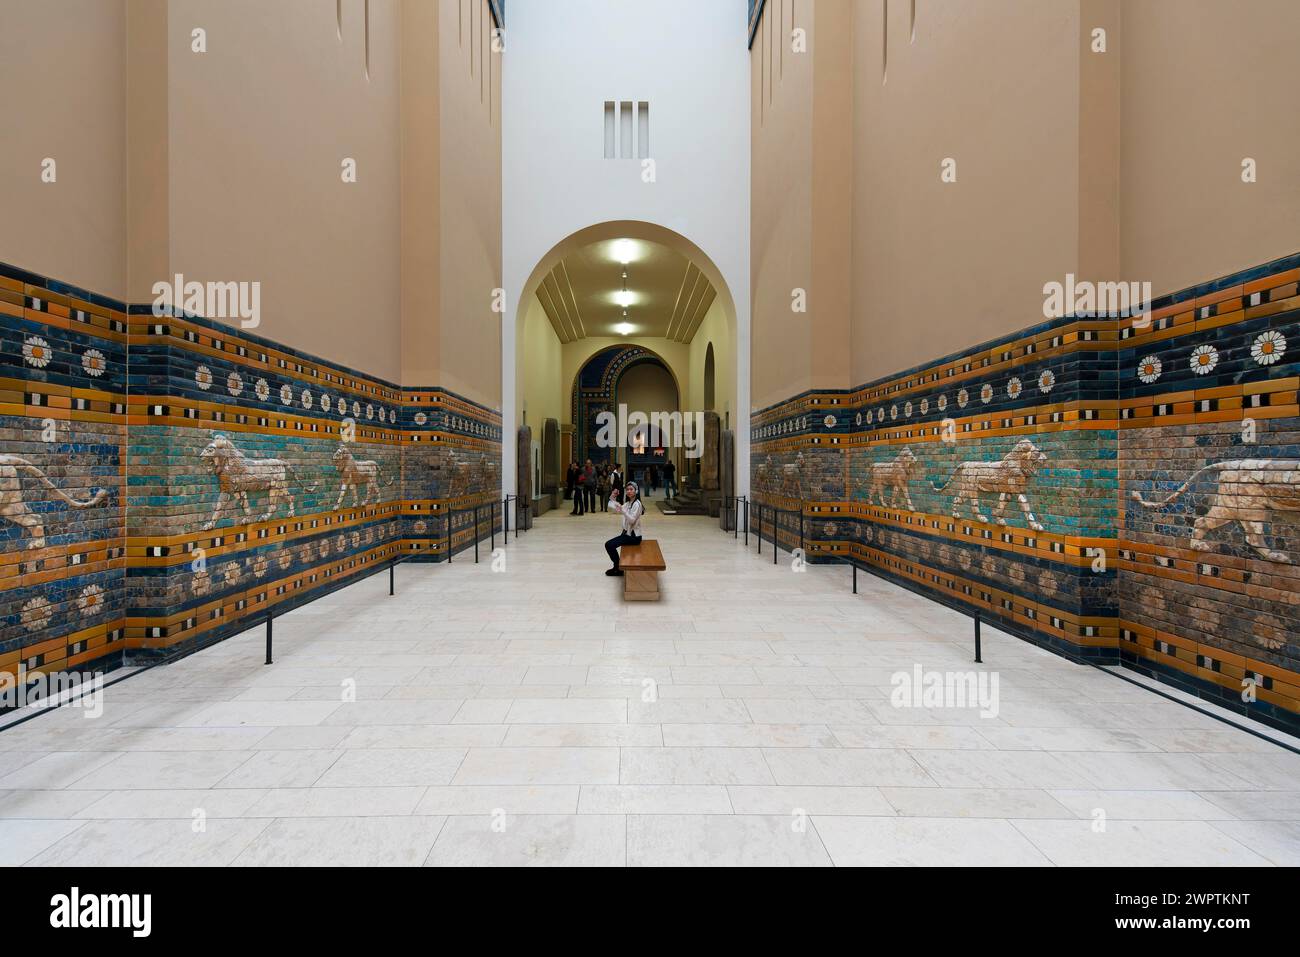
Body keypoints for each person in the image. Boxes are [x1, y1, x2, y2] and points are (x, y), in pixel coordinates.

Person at [604, 481, 644, 576]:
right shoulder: (629, 503)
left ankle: (618, 568)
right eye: (627, 490)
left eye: (631, 489)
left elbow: (632, 521)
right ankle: (617, 567)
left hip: (633, 537)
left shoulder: (637, 504)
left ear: (636, 491)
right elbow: (612, 507)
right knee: (610, 545)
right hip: (627, 534)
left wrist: (623, 511)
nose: (629, 491)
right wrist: (613, 496)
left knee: (609, 545)